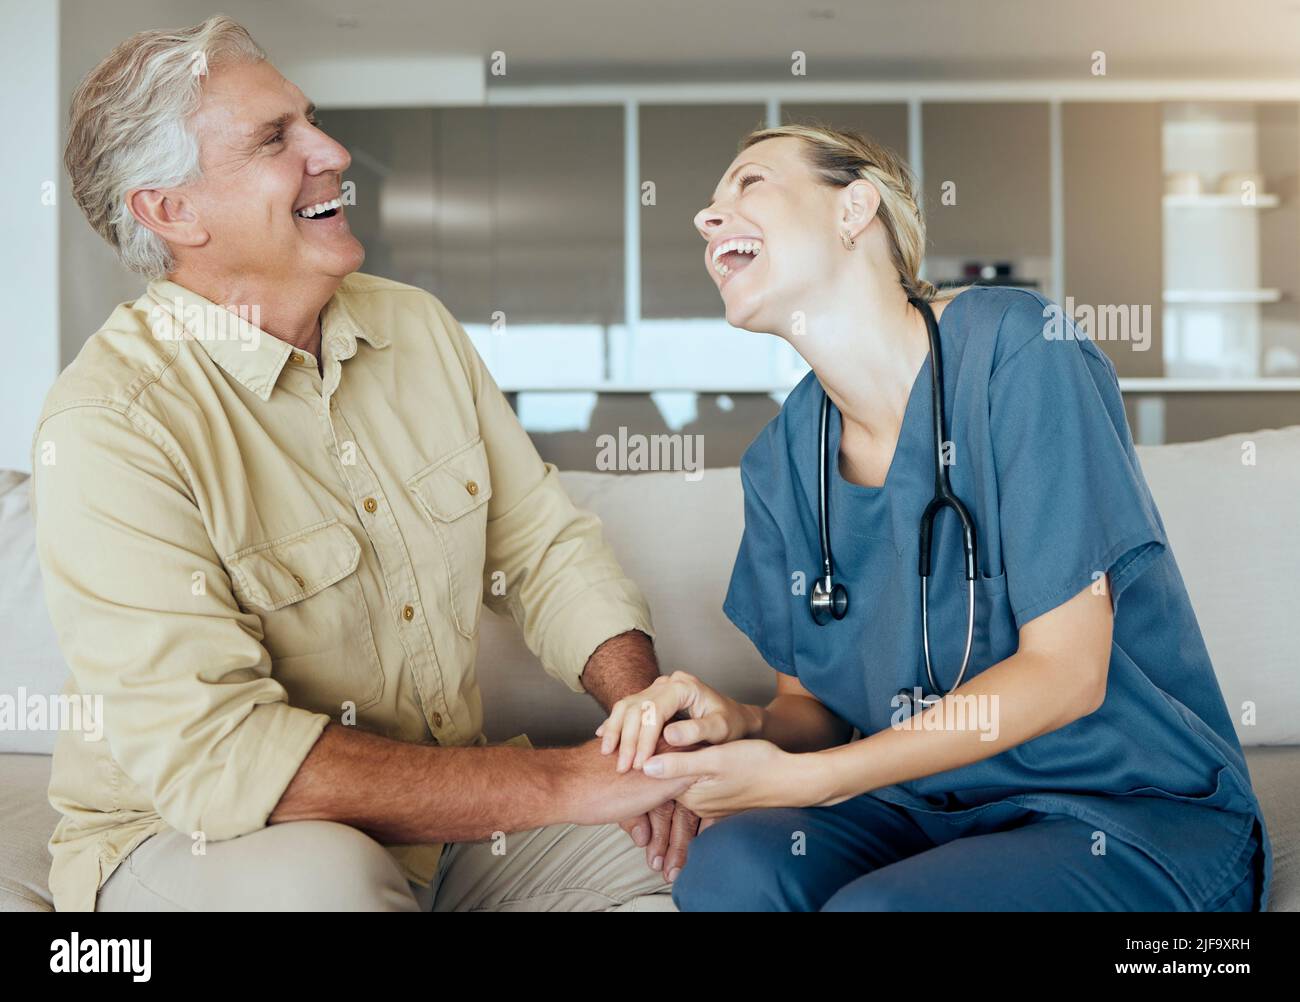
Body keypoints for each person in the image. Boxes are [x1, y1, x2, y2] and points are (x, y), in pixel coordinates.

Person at [35, 15, 692, 912]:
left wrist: (644, 731)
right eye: (277, 138)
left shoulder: (414, 326)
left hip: (441, 829)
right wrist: (571, 782)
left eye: (309, 120)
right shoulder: (111, 423)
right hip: (190, 838)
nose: (333, 150)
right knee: (330, 885)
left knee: (694, 861)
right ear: (172, 211)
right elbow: (222, 753)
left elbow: (543, 550)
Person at [597, 124, 1272, 912]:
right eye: (710, 205)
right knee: (731, 872)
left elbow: (1067, 672)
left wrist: (817, 779)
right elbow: (809, 709)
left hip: (1115, 807)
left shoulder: (1018, 351)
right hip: (921, 807)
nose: (707, 219)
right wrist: (736, 720)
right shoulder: (784, 458)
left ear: (856, 210)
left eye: (747, 184)